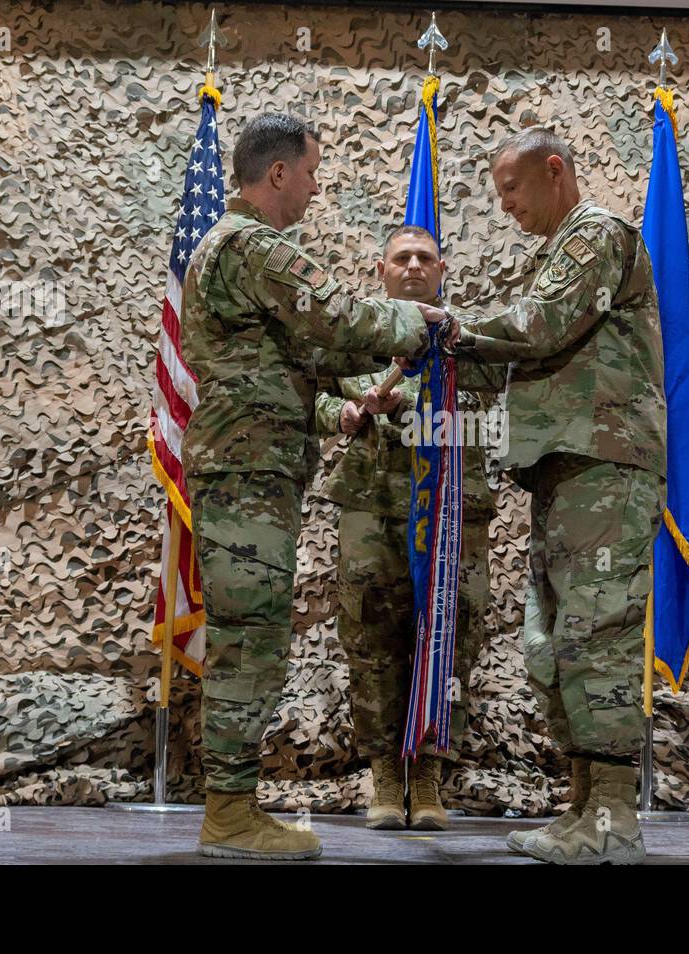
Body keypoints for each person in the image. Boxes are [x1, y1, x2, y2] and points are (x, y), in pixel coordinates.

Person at [180, 112, 448, 860]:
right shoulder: (255, 246)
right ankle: (229, 814)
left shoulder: (227, 247)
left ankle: (234, 805)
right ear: (276, 175)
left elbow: (309, 353)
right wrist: (415, 323)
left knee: (251, 636)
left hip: (251, 465)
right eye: (310, 171)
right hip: (248, 468)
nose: (316, 185)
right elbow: (338, 317)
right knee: (250, 640)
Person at [446, 127, 667, 864]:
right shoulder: (559, 249)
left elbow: (539, 327)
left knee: (596, 638)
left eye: (511, 189)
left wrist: (451, 327)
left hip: (606, 468)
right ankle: (583, 810)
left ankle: (613, 822)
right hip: (568, 469)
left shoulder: (596, 234)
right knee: (561, 645)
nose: (504, 206)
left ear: (554, 170)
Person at [314, 225, 498, 831]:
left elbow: (483, 401)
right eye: (402, 258)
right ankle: (384, 778)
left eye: (425, 258)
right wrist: (337, 412)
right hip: (372, 505)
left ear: (442, 269)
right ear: (380, 269)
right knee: (371, 638)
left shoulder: (462, 340)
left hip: (452, 514)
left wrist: (414, 399)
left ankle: (429, 778)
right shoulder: (354, 332)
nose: (414, 266)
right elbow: (310, 393)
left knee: (451, 636)